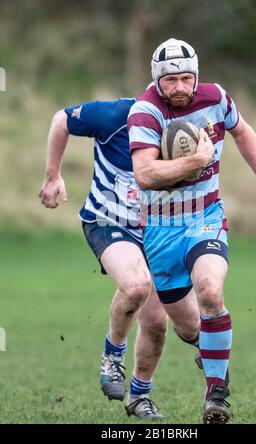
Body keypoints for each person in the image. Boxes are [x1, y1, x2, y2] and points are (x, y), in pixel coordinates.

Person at [128, 38, 256, 424]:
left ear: (196, 76)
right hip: (160, 230)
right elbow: (145, 174)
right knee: (189, 329)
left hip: (206, 218)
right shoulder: (145, 111)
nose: (180, 87)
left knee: (212, 292)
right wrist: (197, 160)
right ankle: (210, 350)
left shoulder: (217, 97)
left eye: (186, 79)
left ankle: (215, 396)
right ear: (157, 80)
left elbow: (243, 131)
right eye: (171, 81)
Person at [39, 99, 168, 419]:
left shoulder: (180, 129)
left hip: (156, 230)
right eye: (167, 82)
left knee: (156, 322)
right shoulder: (116, 116)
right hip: (106, 220)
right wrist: (53, 175)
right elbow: (61, 119)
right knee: (137, 286)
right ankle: (113, 356)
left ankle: (139, 396)